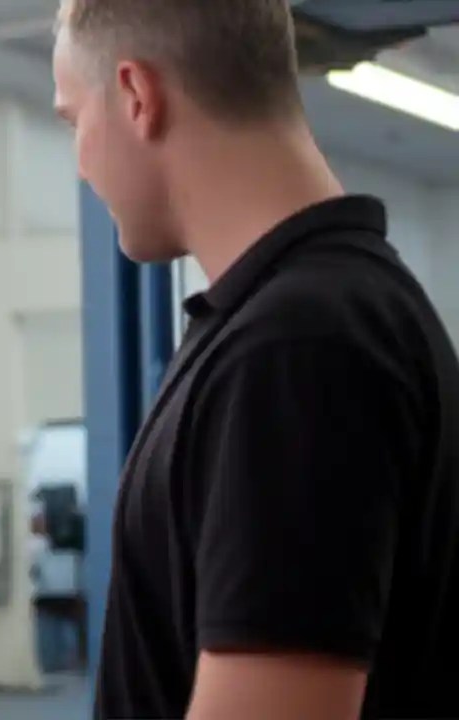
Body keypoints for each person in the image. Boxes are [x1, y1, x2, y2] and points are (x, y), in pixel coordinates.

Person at [52, 1, 459, 719]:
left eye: (73, 119)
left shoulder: (297, 350)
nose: (80, 162)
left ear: (137, 96)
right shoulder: (302, 318)